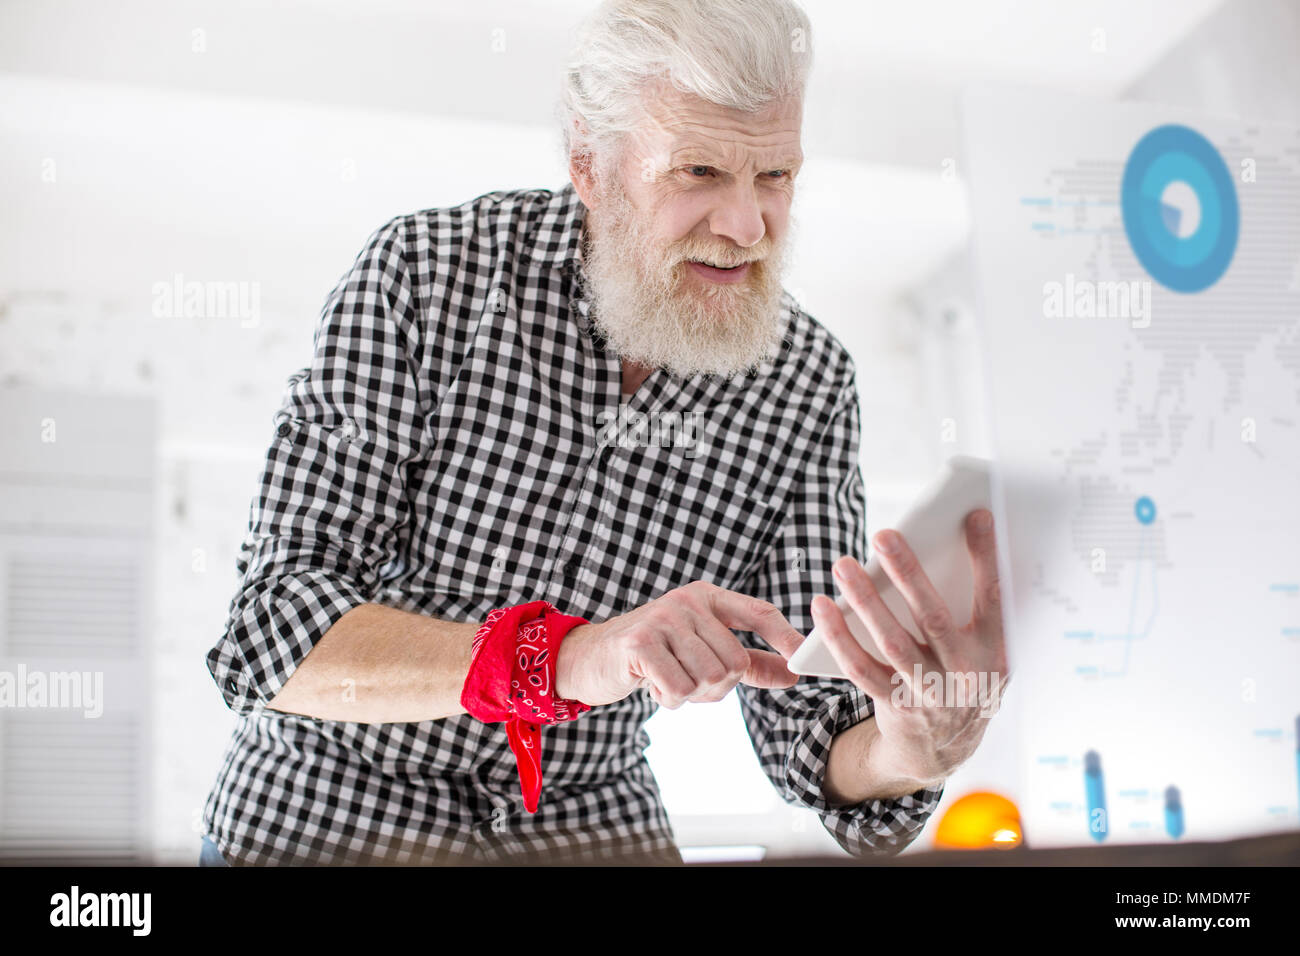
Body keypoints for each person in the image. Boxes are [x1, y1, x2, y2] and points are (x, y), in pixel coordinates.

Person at [200, 0, 1006, 866]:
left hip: (586, 824)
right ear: (590, 164)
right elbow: (271, 636)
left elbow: (814, 726)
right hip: (323, 813)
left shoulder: (806, 382)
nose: (746, 227)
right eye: (698, 171)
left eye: (775, 176)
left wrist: (910, 748)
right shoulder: (427, 277)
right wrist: (565, 658)